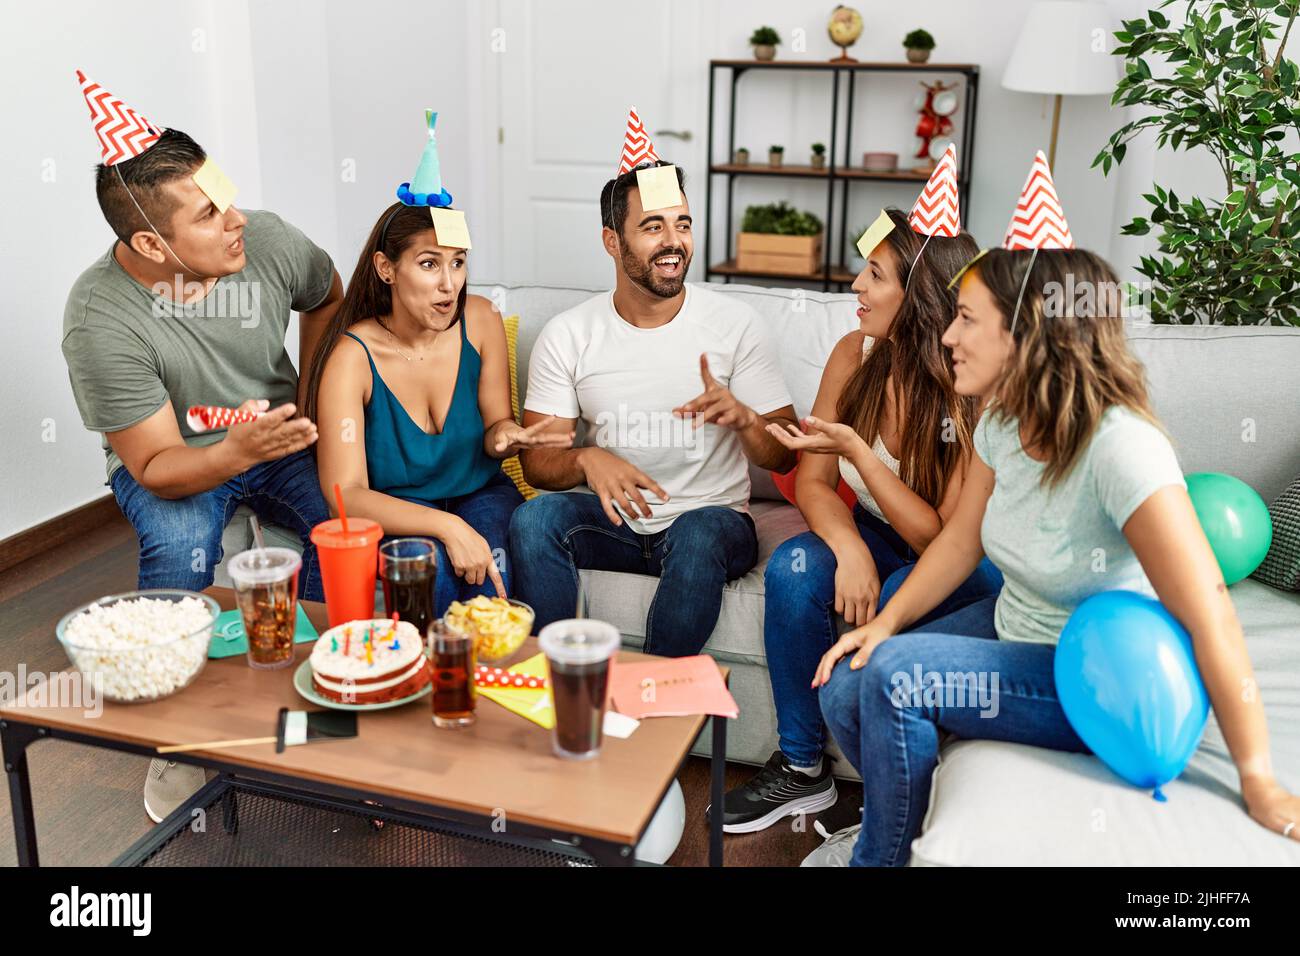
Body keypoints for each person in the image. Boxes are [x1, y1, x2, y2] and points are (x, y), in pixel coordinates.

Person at [809, 229, 1300, 865]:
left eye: (965, 319)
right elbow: (958, 544)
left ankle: (878, 862)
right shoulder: (1004, 418)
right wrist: (885, 624)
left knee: (898, 680)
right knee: (846, 685)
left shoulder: (1119, 448)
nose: (947, 336)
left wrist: (1258, 779)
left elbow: (1211, 616)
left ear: (1027, 333)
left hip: (1099, 671)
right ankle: (899, 823)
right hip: (1018, 626)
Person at [62, 73, 342, 824]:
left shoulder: (270, 240)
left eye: (226, 194)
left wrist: (308, 402)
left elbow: (327, 296)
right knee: (181, 550)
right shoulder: (99, 320)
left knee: (341, 523)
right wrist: (237, 449)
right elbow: (156, 465)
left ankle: (314, 707)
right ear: (151, 243)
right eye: (210, 213)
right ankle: (178, 746)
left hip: (276, 437)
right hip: (179, 460)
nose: (236, 218)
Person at [719, 205, 1003, 834]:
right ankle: (801, 770)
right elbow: (813, 482)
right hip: (875, 540)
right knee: (796, 568)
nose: (855, 287)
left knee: (896, 602)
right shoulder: (855, 353)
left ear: (921, 296)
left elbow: (940, 538)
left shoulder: (973, 382)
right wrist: (846, 545)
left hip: (959, 564)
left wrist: (859, 455)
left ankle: (895, 800)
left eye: (874, 275)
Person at [508, 157, 798, 657]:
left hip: (713, 522)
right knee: (534, 520)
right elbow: (537, 463)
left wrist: (747, 420)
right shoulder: (570, 334)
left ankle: (653, 692)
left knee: (700, 530)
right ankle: (554, 679)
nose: (674, 241)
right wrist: (583, 458)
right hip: (615, 524)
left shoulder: (735, 324)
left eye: (682, 224)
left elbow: (785, 456)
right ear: (612, 242)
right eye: (652, 226)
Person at [309, 202, 568, 612]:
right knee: (433, 581)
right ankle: (425, 674)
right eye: (430, 264)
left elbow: (494, 430)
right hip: (401, 509)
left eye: (458, 263)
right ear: (386, 268)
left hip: (483, 493)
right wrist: (448, 527)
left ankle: (507, 675)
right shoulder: (352, 357)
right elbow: (345, 497)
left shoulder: (481, 319)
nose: (450, 284)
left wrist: (506, 435)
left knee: (492, 588)